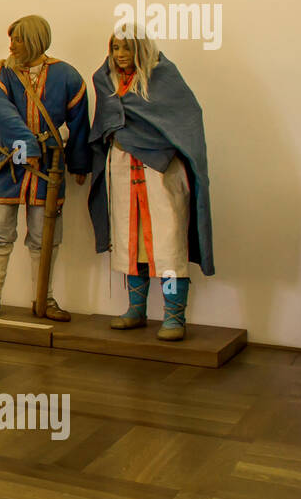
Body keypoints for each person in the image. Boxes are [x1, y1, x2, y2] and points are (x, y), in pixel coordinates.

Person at [87, 29, 213, 341]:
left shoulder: (163, 76)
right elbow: (103, 124)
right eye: (115, 47)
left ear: (141, 49)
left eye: (127, 48)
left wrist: (161, 149)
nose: (120, 55)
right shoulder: (106, 81)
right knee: (130, 243)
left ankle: (174, 316)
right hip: (121, 168)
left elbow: (186, 119)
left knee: (168, 244)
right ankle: (136, 309)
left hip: (161, 172)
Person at [0, 15, 90, 321]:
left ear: (35, 39)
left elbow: (78, 124)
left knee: (45, 235)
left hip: (49, 170)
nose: (11, 45)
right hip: (8, 164)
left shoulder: (68, 76)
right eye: (11, 39)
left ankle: (44, 300)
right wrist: (29, 145)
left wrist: (79, 163)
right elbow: (3, 115)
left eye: (18, 39)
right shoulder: (0, 72)